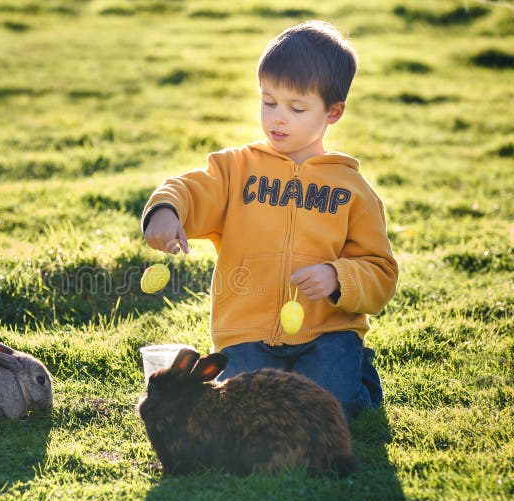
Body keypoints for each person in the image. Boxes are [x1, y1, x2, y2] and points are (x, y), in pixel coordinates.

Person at [141, 21, 398, 418]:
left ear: (333, 112)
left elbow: (380, 272)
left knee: (331, 407)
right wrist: (166, 210)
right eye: (268, 101)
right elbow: (191, 189)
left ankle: (357, 375)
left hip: (326, 333)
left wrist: (338, 278)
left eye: (296, 108)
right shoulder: (237, 169)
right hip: (248, 333)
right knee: (242, 409)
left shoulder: (353, 190)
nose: (278, 118)